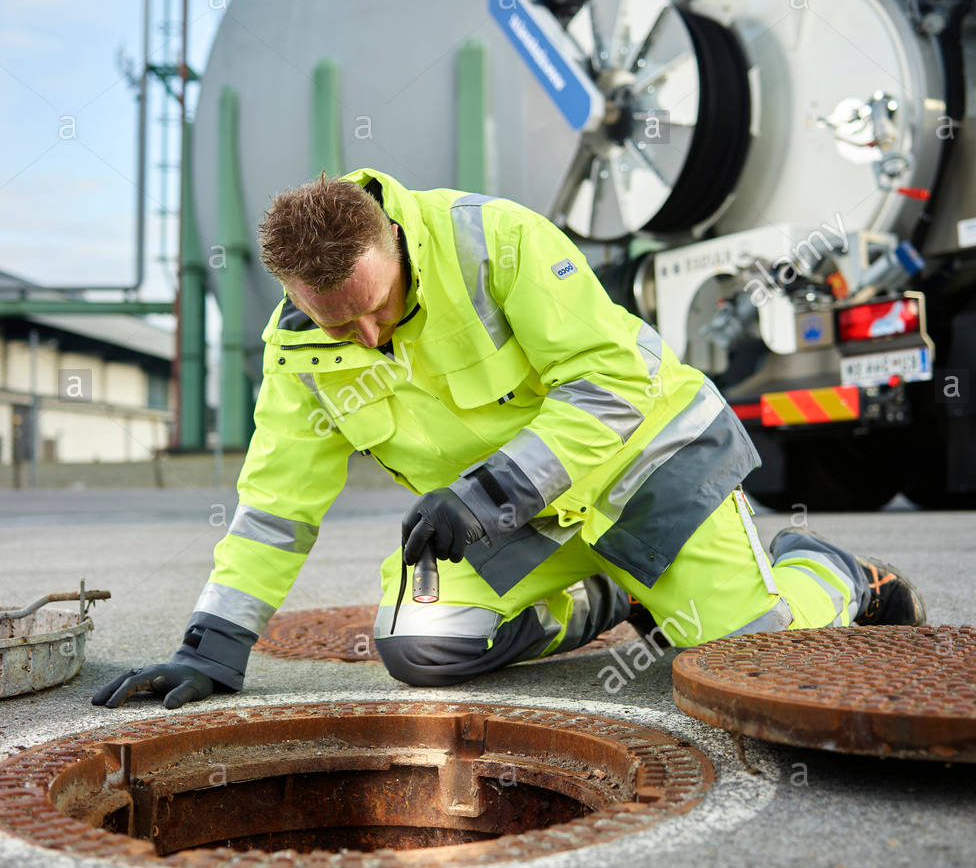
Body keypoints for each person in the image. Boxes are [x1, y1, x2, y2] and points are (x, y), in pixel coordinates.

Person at [92, 167, 925, 710]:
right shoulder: (301, 354)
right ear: (292, 294)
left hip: (650, 471)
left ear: (394, 239)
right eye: (341, 323)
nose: (372, 337)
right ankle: (613, 597)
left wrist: (486, 495)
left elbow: (613, 388)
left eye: (380, 307)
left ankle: (835, 575)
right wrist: (214, 642)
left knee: (753, 674)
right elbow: (277, 505)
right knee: (421, 645)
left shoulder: (495, 240)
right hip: (516, 520)